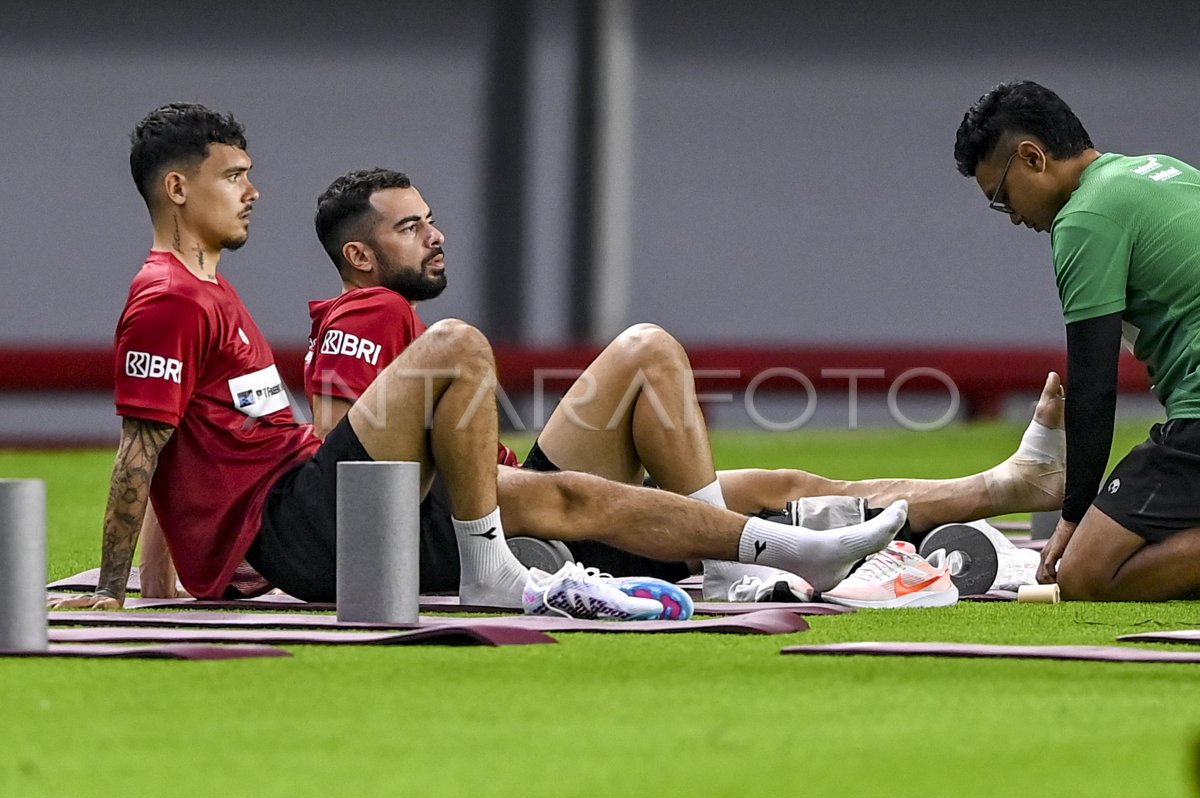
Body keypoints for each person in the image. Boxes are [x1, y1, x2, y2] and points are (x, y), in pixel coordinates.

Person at [50, 103, 910, 611]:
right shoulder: (172, 297)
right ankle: (491, 563)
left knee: (583, 493)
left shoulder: (211, 293)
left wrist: (175, 585)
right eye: (233, 175)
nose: (252, 191)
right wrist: (119, 592)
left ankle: (788, 552)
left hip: (316, 516)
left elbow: (189, 458)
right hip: (308, 528)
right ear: (177, 188)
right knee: (462, 345)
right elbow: (142, 453)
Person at [305, 167, 1069, 600]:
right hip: (512, 520)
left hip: (511, 495)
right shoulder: (368, 312)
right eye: (410, 228)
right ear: (360, 256)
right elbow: (350, 471)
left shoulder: (379, 319)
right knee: (671, 380)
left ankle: (1006, 487)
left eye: (430, 219)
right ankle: (736, 566)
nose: (435, 234)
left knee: (776, 476)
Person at [955, 80, 1200, 601]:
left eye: (1002, 199)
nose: (1016, 217)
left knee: (1087, 573)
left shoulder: (1085, 217)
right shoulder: (1163, 169)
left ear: (1032, 157)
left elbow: (1092, 385)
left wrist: (1073, 514)